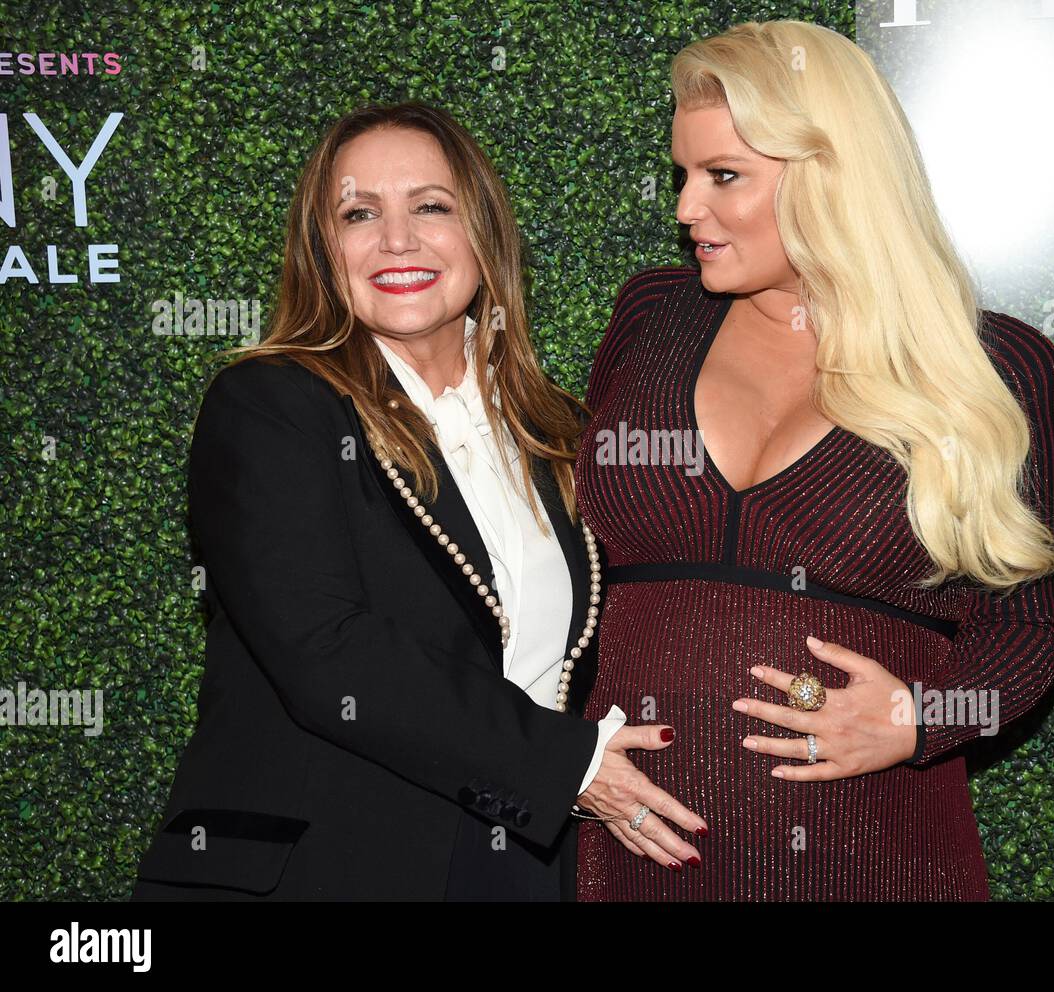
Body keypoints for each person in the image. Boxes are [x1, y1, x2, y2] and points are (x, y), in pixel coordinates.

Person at [131, 101, 704, 901]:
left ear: (483, 233)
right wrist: (566, 764)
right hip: (321, 870)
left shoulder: (555, 429)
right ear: (321, 248)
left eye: (431, 207)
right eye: (359, 213)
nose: (396, 240)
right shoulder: (271, 404)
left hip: (519, 863)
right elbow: (327, 650)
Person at [571, 21, 1054, 900]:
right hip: (636, 852)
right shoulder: (652, 315)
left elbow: (1028, 631)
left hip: (874, 853)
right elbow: (564, 574)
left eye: (724, 175)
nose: (687, 208)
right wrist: (562, 757)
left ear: (831, 174)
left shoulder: (993, 366)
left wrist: (919, 719)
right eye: (683, 174)